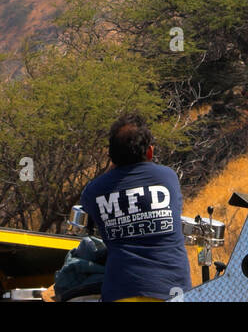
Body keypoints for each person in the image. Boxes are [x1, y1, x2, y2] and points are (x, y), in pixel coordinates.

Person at [78, 113, 191, 302]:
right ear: (150, 152)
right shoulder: (168, 177)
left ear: (111, 156)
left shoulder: (94, 191)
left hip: (122, 291)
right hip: (172, 290)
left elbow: (87, 205)